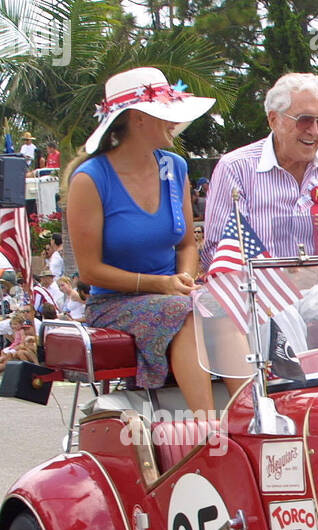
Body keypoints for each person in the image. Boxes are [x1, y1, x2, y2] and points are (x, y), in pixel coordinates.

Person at [66, 66, 217, 417]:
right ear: (138, 119)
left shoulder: (175, 167)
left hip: (171, 293)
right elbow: (90, 272)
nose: (174, 123)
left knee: (237, 304)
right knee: (188, 311)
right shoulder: (89, 179)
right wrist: (161, 285)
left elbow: (186, 244)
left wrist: (184, 279)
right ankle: (210, 429)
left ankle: (251, 419)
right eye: (166, 114)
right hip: (114, 304)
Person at [203, 72, 318, 264]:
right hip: (261, 291)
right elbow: (219, 251)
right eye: (305, 120)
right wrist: (285, 281)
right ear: (274, 120)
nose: (314, 131)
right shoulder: (235, 168)